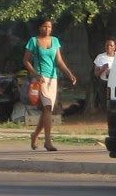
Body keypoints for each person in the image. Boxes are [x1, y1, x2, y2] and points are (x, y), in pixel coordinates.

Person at [23, 19, 77, 153]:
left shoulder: (55, 41)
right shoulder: (33, 41)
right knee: (47, 108)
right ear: (39, 27)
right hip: (40, 78)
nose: (47, 29)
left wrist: (69, 73)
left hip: (53, 78)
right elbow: (26, 61)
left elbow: (59, 60)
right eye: (44, 26)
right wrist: (35, 74)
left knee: (47, 110)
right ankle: (48, 141)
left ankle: (35, 134)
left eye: (49, 27)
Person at [93, 38, 116, 114]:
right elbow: (96, 73)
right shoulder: (100, 57)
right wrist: (102, 69)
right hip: (103, 82)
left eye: (111, 45)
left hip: (115, 82)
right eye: (107, 45)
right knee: (104, 100)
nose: (109, 47)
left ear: (114, 47)